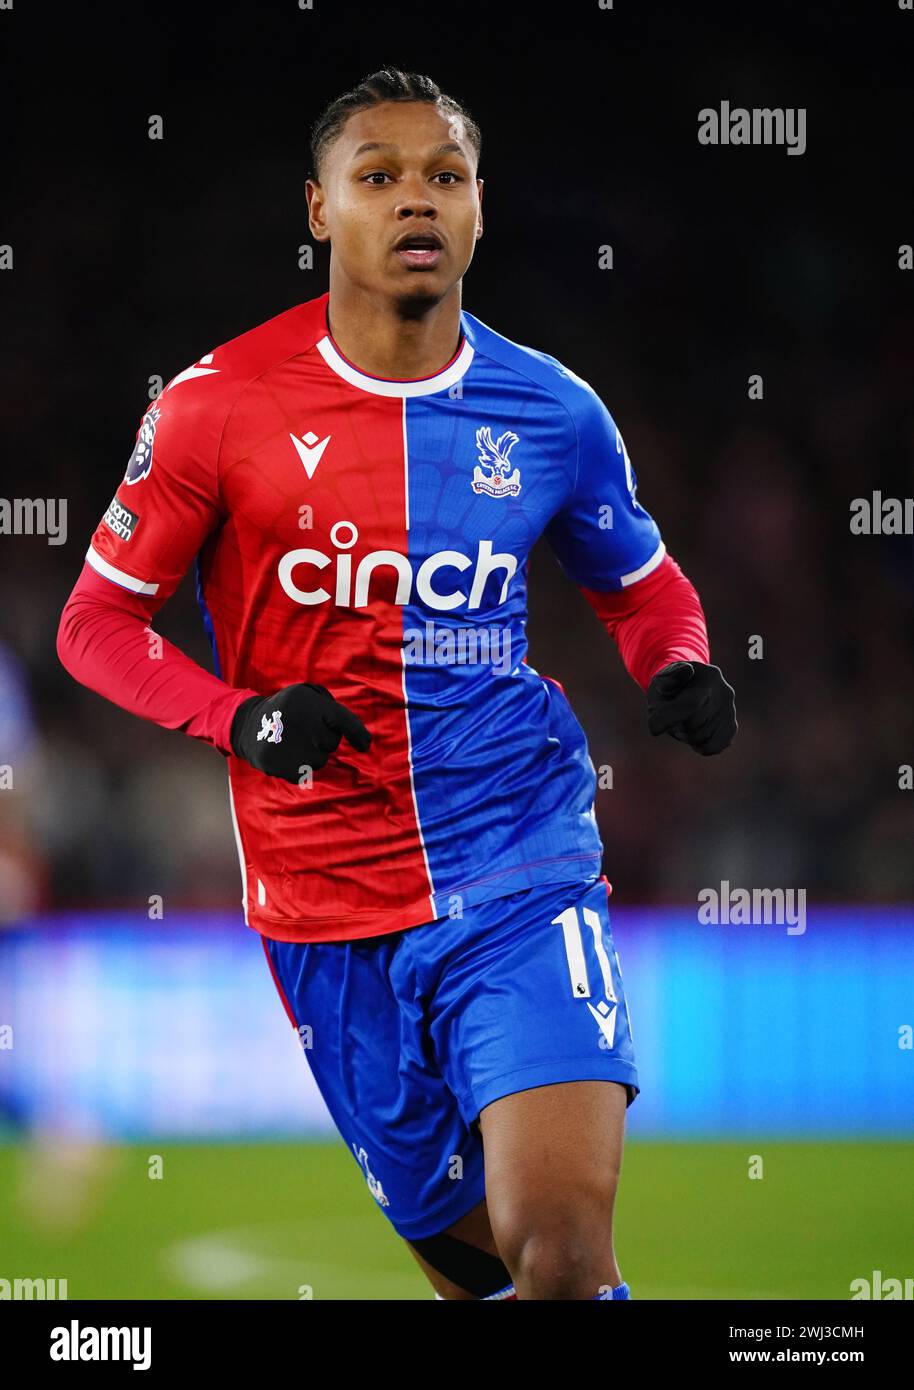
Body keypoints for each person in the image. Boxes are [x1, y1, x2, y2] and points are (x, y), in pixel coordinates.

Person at [57, 67, 737, 1300]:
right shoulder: (215, 407)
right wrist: (237, 715)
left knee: (562, 1252)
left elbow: (641, 585)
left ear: (479, 209)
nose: (413, 199)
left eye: (444, 175)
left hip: (517, 857)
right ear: (317, 211)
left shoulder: (551, 411)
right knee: (481, 1275)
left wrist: (675, 663)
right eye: (377, 176)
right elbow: (96, 622)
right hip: (323, 905)